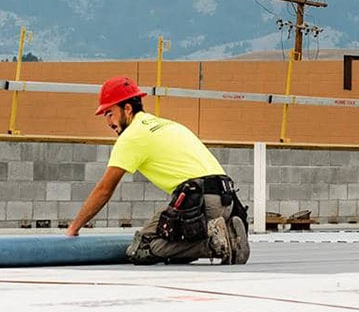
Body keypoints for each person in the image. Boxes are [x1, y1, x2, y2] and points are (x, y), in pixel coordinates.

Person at [66, 76, 250, 265]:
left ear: (127, 109)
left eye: (110, 113)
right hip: (227, 201)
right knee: (173, 245)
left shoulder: (132, 136)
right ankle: (224, 231)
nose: (108, 122)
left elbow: (104, 189)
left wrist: (73, 228)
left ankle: (215, 243)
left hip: (201, 201)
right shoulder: (167, 124)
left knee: (143, 248)